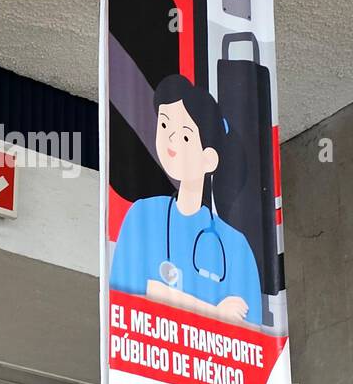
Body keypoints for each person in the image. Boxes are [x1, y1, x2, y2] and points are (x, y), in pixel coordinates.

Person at [110, 74, 263, 326]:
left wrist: (162, 292)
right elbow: (127, 289)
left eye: (185, 136)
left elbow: (253, 332)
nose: (170, 141)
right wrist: (215, 311)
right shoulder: (143, 216)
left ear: (209, 159)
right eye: (164, 126)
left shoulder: (236, 246)